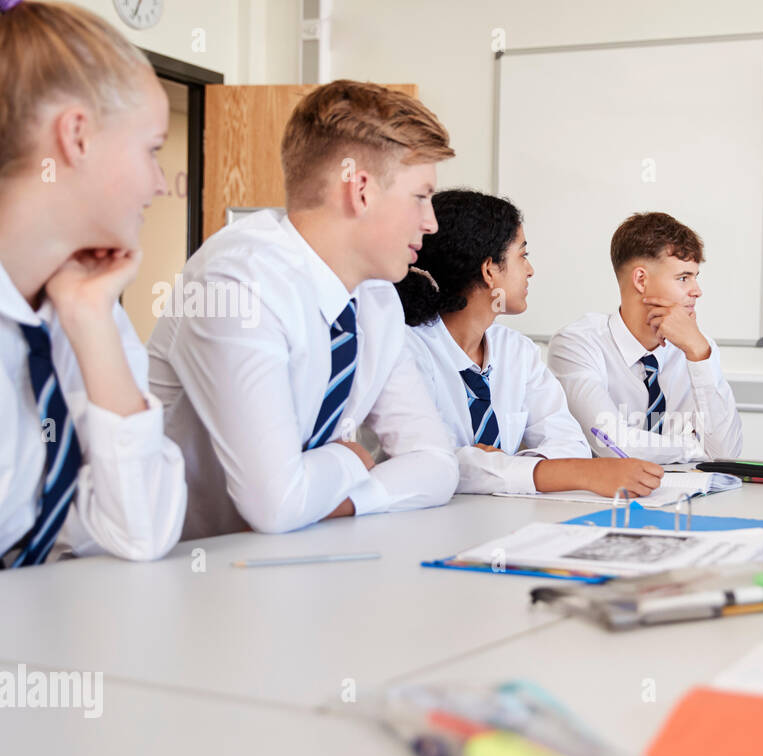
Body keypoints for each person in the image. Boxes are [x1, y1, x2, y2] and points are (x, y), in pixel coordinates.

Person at [148, 80, 460, 538]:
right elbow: (275, 505)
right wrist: (348, 457)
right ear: (361, 190)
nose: (430, 222)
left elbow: (436, 462)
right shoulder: (240, 281)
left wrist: (351, 499)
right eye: (421, 196)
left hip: (279, 562)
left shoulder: (375, 300)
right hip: (171, 568)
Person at [0, 0, 185, 567]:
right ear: (76, 136)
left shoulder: (83, 301)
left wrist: (89, 319)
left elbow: (141, 532)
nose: (159, 183)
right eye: (152, 149)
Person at [396, 190, 663, 497]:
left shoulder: (517, 351)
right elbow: (433, 462)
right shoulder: (409, 348)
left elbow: (569, 443)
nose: (530, 270)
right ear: (489, 270)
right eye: (522, 255)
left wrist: (504, 466)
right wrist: (564, 472)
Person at [546, 212, 743, 464]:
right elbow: (612, 444)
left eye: (695, 277)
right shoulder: (577, 344)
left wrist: (699, 355)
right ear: (641, 280)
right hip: (602, 500)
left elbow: (726, 454)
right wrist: (694, 448)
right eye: (683, 278)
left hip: (686, 498)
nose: (697, 291)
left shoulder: (697, 347)